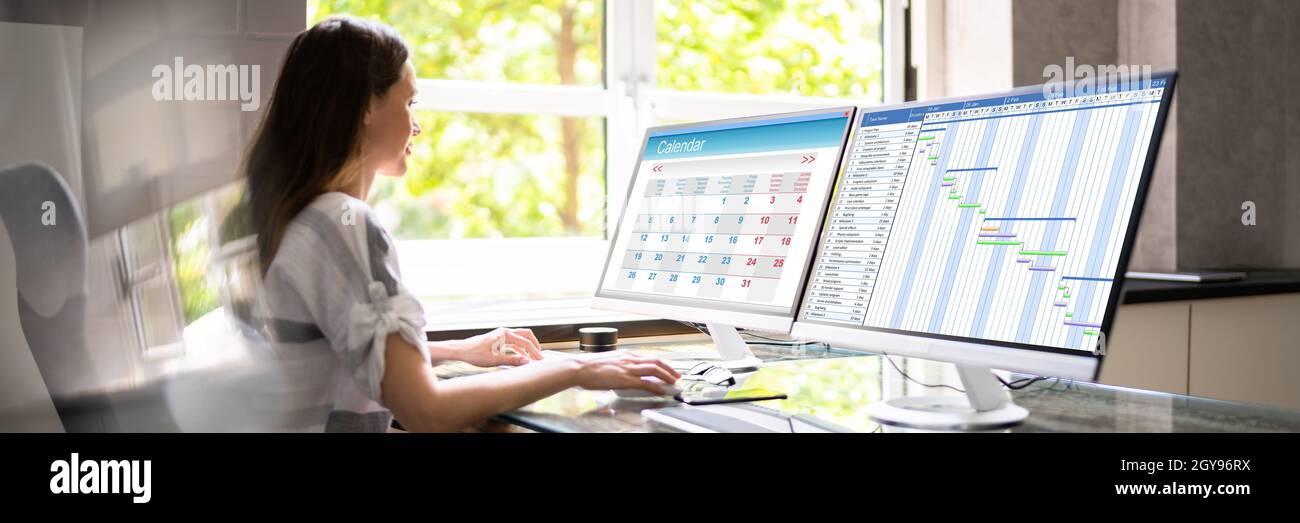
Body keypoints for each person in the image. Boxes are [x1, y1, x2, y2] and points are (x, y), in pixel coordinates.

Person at [242, 15, 678, 432]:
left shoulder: (297, 217)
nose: (417, 127)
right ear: (365, 109)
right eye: (408, 101)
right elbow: (428, 413)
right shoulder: (343, 223)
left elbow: (327, 356)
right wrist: (576, 368)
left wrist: (459, 350)